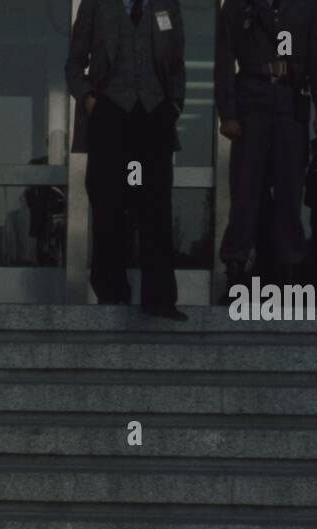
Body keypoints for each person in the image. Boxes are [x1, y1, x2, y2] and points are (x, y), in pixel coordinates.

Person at [66, 0, 188, 320]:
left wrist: (174, 105)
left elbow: (176, 62)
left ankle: (160, 298)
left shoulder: (166, 5)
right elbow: (74, 64)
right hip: (110, 113)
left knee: (157, 206)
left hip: (154, 113)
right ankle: (111, 292)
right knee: (108, 204)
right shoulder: (95, 5)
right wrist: (90, 100)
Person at [215, 0, 317, 299]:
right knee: (246, 187)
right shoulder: (237, 5)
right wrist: (227, 113)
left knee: (290, 187)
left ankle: (289, 269)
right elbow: (224, 60)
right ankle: (237, 266)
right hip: (251, 97)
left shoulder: (306, 5)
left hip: (290, 99)